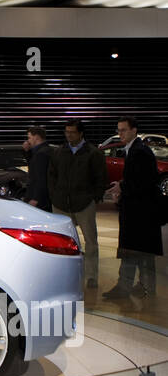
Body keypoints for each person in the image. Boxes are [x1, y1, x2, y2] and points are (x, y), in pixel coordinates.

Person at [102, 115, 162, 300]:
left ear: (134, 130)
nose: (120, 133)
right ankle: (144, 286)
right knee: (141, 251)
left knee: (133, 250)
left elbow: (143, 181)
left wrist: (122, 187)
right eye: (118, 130)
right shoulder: (135, 150)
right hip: (141, 212)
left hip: (139, 212)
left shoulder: (139, 151)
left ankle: (126, 287)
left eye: (123, 130)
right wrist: (122, 184)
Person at [48, 121, 109, 290]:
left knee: (91, 242)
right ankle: (64, 275)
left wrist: (94, 198)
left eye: (72, 132)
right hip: (60, 203)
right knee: (62, 243)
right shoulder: (59, 152)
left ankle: (91, 277)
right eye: (67, 132)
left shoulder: (93, 153)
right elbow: (52, 176)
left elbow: (100, 178)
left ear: (81, 133)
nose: (69, 135)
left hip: (84, 203)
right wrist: (54, 195)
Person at [24, 126, 53, 211]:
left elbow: (41, 178)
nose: (28, 141)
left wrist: (36, 198)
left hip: (39, 200)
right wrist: (27, 152)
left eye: (29, 138)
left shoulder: (41, 154)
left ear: (36, 137)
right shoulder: (44, 150)